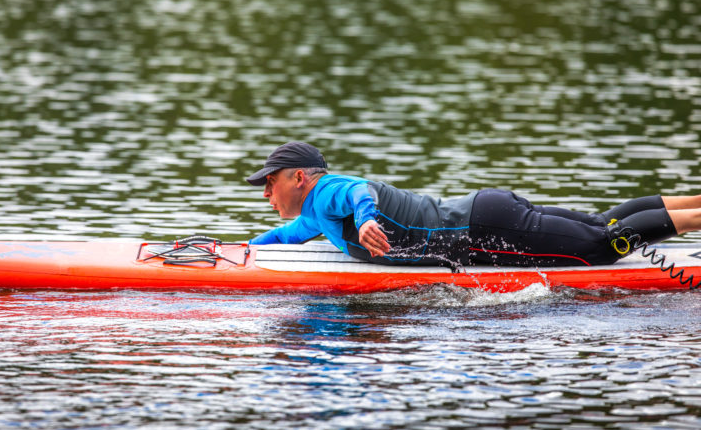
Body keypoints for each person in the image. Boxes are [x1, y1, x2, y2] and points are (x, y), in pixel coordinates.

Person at [246, 141, 701, 269]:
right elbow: (288, 236)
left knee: (603, 247)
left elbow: (361, 192)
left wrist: (366, 223)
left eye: (269, 184)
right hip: (485, 211)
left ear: (298, 178)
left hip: (483, 231)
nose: (266, 194)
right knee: (604, 222)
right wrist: (243, 249)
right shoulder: (316, 214)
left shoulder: (328, 193)